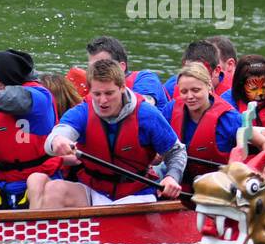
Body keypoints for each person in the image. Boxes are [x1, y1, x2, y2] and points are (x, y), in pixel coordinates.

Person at [38, 59, 186, 207]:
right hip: (93, 188)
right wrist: (57, 140)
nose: (102, 100)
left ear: (122, 87)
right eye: (97, 94)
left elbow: (176, 151)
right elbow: (56, 136)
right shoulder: (82, 112)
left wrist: (171, 177)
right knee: (54, 189)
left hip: (136, 193)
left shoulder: (147, 114)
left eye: (109, 93)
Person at [0, 50, 61, 210]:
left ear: (12, 82)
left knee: (36, 183)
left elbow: (6, 99)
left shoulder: (38, 98)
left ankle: (36, 231)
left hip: (41, 185)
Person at [162, 63, 248, 182]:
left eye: (196, 90)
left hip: (217, 185)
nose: (190, 96)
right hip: (177, 180)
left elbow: (263, 144)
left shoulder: (230, 118)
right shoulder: (170, 110)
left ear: (209, 86)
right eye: (184, 91)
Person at [85, 36, 163, 100]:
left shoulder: (146, 79)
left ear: (121, 67)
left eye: (103, 66)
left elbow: (148, 102)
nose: (96, 72)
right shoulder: (91, 86)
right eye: (92, 68)